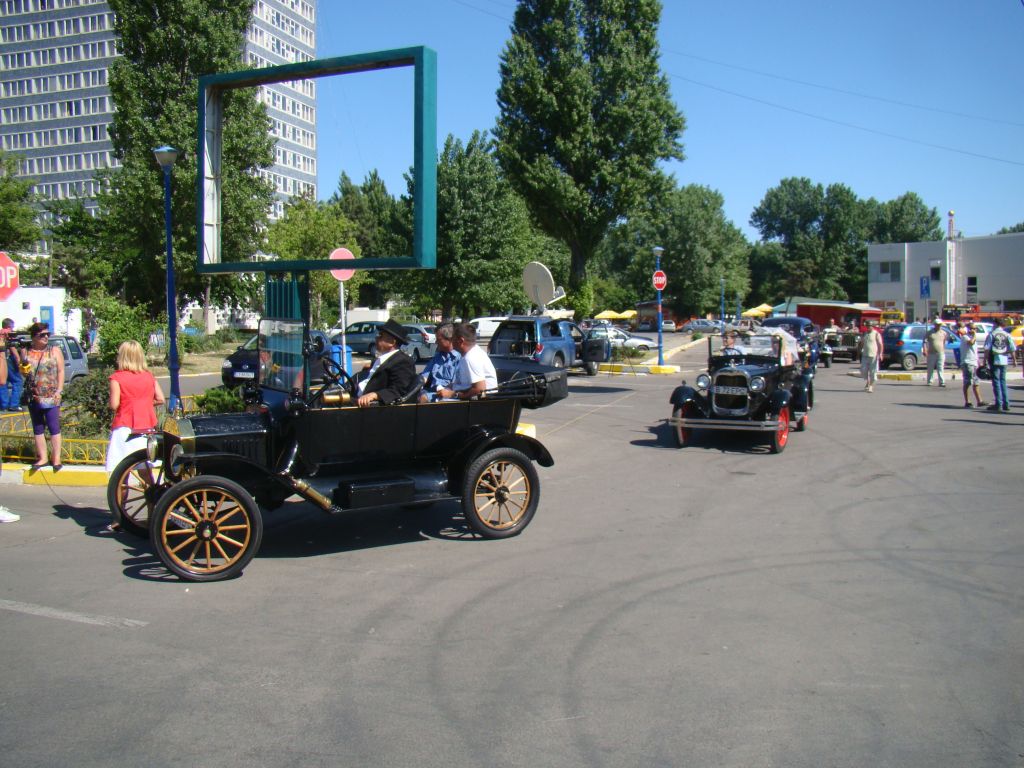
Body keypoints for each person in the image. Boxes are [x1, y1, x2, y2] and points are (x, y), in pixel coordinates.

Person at [106, 340, 165, 473]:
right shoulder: (149, 376)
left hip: (125, 426)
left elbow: (114, 405)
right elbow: (160, 399)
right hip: (146, 426)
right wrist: (146, 404)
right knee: (145, 470)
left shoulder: (117, 378)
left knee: (120, 471)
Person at [19, 322, 64, 470]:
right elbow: (23, 373)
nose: (46, 337)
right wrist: (23, 366)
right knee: (38, 427)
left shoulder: (54, 350)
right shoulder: (26, 352)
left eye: (47, 334)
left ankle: (56, 458)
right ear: (34, 337)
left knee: (54, 426)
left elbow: (60, 371)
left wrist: (59, 390)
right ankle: (42, 457)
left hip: (51, 394)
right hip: (34, 395)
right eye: (42, 335)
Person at [355, 319, 417, 407]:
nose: (376, 338)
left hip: (367, 406)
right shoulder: (380, 359)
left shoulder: (403, 362)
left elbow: (398, 390)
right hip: (355, 395)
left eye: (380, 336)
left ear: (392, 342)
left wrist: (375, 395)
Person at [438, 322, 497, 400]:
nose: (451, 342)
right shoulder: (470, 353)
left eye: (453, 339)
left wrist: (452, 394)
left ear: (461, 341)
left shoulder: (471, 358)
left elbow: (480, 389)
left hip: (480, 403)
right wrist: (450, 387)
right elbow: (465, 382)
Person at [419, 323, 461, 403]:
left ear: (450, 339)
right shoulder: (438, 356)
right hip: (432, 391)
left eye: (438, 339)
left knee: (423, 398)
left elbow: (455, 385)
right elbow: (425, 376)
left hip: (448, 395)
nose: (436, 342)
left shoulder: (459, 358)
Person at [984, 317, 1016, 412]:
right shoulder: (1007, 334)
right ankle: (1006, 403)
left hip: (994, 359)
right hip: (1004, 359)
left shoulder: (992, 334)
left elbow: (987, 348)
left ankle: (998, 403)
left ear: (995, 324)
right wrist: (1014, 360)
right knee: (1003, 382)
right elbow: (1012, 348)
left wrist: (984, 360)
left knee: (996, 382)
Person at [957, 324, 987, 408]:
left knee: (976, 382)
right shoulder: (965, 337)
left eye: (975, 329)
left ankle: (979, 401)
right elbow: (971, 343)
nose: (974, 330)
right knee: (968, 382)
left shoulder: (974, 338)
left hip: (974, 363)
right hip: (967, 363)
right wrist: (974, 335)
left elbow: (974, 352)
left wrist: (979, 362)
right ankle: (967, 401)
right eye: (972, 328)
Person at [0, 318, 24, 412]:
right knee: (18, 381)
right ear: (9, 326)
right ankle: (14, 404)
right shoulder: (7, 334)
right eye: (12, 327)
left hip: (2, 360)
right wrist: (18, 360)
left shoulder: (1, 333)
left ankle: (4, 405)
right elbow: (12, 347)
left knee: (3, 383)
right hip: (8, 361)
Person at [859, 321, 883, 393]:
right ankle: (868, 382)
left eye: (869, 326)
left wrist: (880, 354)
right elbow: (862, 343)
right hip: (865, 355)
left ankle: (871, 386)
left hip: (873, 355)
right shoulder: (865, 334)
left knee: (873, 372)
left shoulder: (876, 334)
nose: (868, 327)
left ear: (873, 326)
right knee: (863, 370)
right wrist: (859, 351)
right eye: (867, 326)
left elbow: (880, 344)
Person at [923, 318, 947, 387]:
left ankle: (942, 382)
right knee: (930, 368)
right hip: (931, 353)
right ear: (935, 325)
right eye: (937, 325)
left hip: (940, 353)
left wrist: (943, 349)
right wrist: (925, 349)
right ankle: (930, 381)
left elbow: (944, 342)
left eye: (939, 325)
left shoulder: (943, 333)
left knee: (940, 367)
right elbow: (924, 341)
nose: (938, 326)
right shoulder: (929, 332)